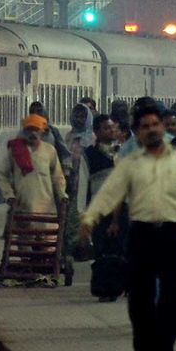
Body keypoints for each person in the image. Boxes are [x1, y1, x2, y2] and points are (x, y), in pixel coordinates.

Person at [79, 105, 176, 351]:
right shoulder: (129, 165)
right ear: (137, 133)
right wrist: (89, 220)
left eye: (155, 125)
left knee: (171, 298)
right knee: (140, 301)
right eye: (145, 126)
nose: (151, 130)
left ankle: (165, 348)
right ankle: (144, 347)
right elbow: (109, 193)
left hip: (173, 236)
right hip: (141, 236)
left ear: (163, 128)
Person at [84, 114, 127, 301]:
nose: (111, 131)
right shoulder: (89, 155)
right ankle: (105, 290)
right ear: (96, 132)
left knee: (121, 248)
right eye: (106, 128)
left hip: (123, 208)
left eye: (113, 127)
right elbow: (83, 186)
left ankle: (121, 286)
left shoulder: (124, 152)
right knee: (101, 249)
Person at [0, 113, 68, 217]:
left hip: (46, 209)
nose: (32, 133)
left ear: (42, 131)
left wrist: (62, 196)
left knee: (48, 232)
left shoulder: (49, 151)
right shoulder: (15, 150)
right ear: (24, 132)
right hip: (22, 208)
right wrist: (9, 196)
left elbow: (58, 177)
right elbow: (3, 175)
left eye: (36, 129)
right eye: (29, 130)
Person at [64, 103, 95, 258]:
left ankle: (85, 247)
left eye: (83, 116)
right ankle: (72, 246)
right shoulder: (68, 137)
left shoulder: (93, 138)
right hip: (71, 181)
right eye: (77, 115)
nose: (79, 119)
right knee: (71, 216)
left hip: (87, 182)